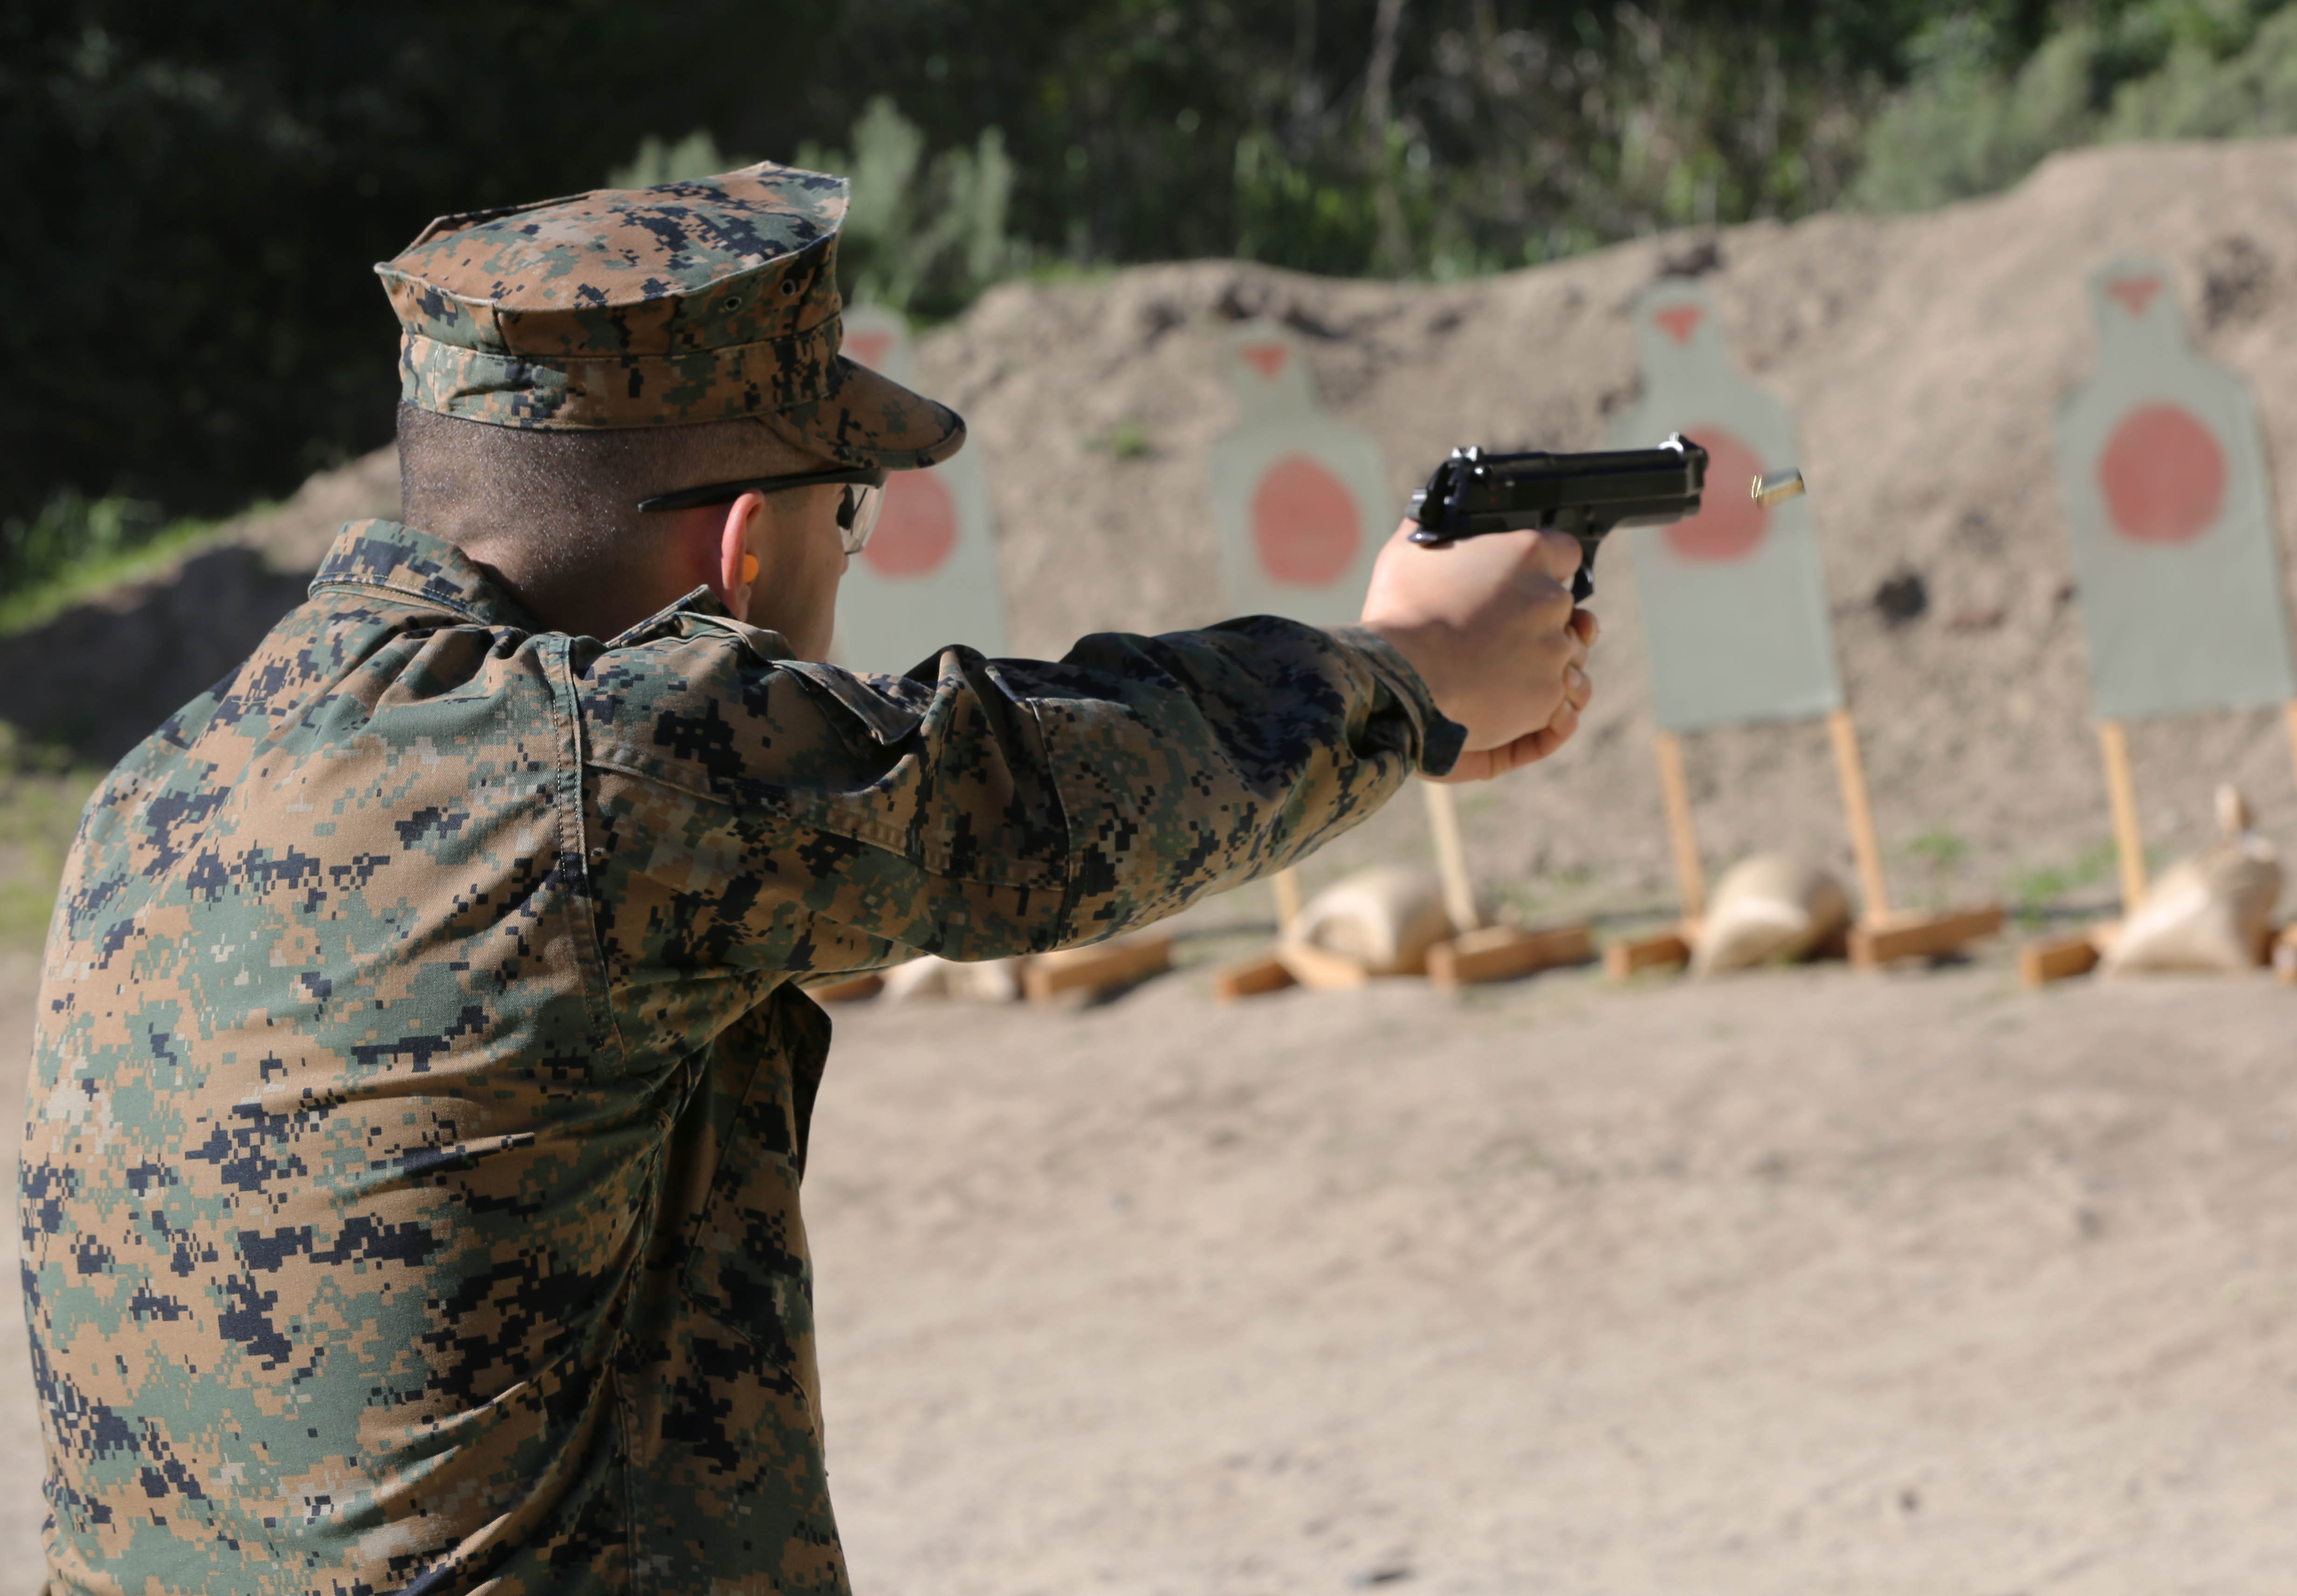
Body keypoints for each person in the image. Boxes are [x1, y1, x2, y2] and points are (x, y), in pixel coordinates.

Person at [19, 162, 1594, 1595]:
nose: (853, 554)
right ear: (748, 548)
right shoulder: (613, 775)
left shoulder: (166, 782)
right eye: (850, 508)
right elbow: (1044, 797)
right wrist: (1408, 669)